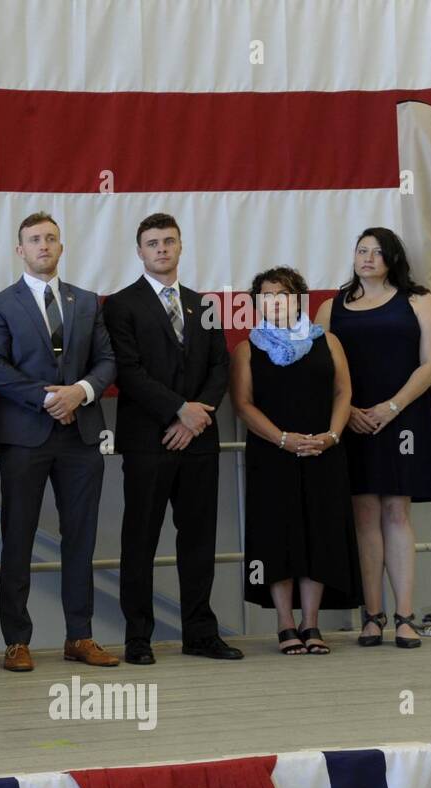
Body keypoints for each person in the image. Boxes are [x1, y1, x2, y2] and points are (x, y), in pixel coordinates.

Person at [0, 212, 119, 673]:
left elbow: (107, 361)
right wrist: (47, 399)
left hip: (81, 436)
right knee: (17, 538)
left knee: (80, 538)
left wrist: (80, 392)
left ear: (62, 247)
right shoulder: (0, 304)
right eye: (34, 240)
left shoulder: (87, 302)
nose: (44, 245)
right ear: (20, 250)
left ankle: (79, 636)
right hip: (26, 437)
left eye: (51, 239)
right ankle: (16, 642)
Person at [104, 213, 242, 665]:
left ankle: (200, 633)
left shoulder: (203, 304)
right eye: (152, 243)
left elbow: (220, 367)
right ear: (140, 251)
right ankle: (138, 637)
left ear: (180, 246)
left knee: (199, 539)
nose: (161, 249)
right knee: (140, 540)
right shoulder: (121, 305)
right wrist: (176, 410)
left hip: (199, 440)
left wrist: (193, 418)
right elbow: (128, 370)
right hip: (149, 439)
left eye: (168, 241)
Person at [315, 228, 431, 649]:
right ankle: (373, 617)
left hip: (403, 418)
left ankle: (405, 617)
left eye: (376, 252)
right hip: (351, 419)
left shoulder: (418, 300)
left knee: (396, 512)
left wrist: (392, 406)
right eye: (361, 250)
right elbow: (320, 369)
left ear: (392, 259)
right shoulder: (329, 308)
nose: (367, 257)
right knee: (364, 515)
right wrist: (347, 411)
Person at [231, 267, 360, 654]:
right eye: (267, 295)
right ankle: (286, 625)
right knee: (278, 536)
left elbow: (343, 393)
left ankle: (311, 623)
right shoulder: (246, 348)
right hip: (272, 454)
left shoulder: (329, 342)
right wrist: (283, 439)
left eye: (283, 293)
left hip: (324, 451)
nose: (275, 301)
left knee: (318, 533)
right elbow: (242, 405)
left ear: (297, 299)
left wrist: (332, 436)